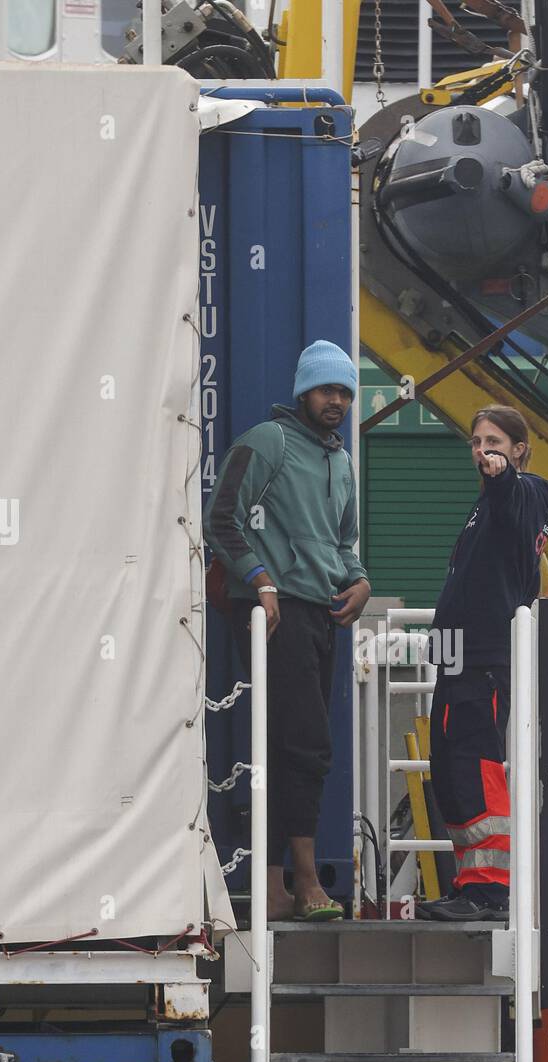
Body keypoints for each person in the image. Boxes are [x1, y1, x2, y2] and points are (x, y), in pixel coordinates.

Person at [203, 340, 370, 921]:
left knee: (292, 749)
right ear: (304, 391)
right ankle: (301, 881)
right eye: (328, 389)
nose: (338, 401)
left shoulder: (342, 461)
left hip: (323, 615)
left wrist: (361, 580)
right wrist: (261, 580)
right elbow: (220, 517)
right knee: (305, 746)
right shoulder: (266, 442)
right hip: (275, 616)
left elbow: (344, 542)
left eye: (346, 391)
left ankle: (276, 885)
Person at [417, 405, 548, 922]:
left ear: (519, 449)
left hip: (483, 661)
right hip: (459, 660)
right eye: (477, 442)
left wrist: (504, 476)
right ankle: (470, 883)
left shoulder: (519, 496)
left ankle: (491, 890)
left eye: (495, 442)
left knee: (476, 768)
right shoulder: (487, 508)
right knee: (451, 771)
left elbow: (511, 495)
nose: (484, 451)